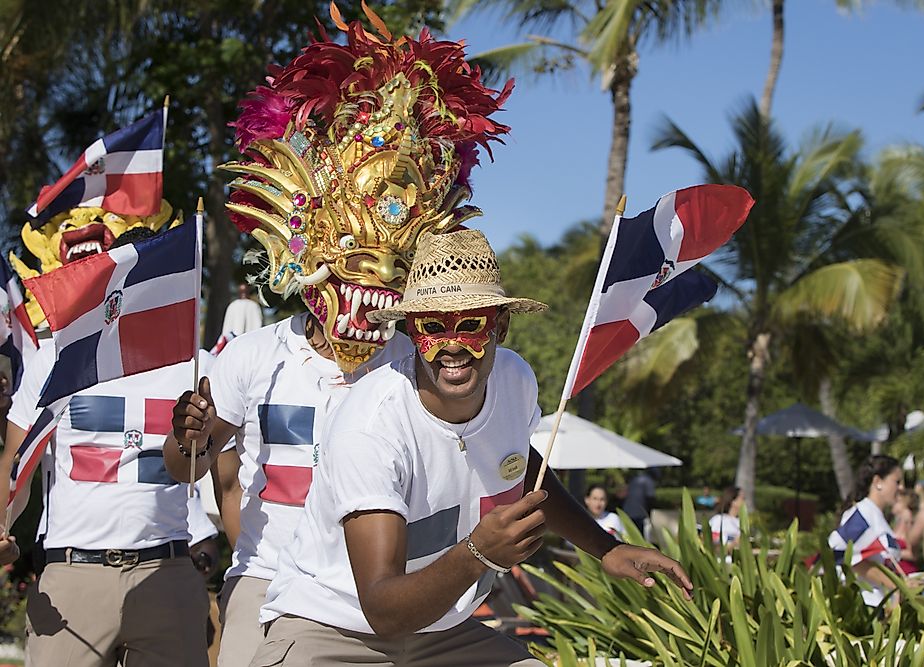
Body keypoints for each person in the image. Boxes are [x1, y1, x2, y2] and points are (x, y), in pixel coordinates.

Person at [163, 11, 517, 666]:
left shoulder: (427, 361)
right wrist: (188, 433)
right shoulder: (254, 357)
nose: (377, 271)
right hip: (275, 582)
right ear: (307, 246)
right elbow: (184, 467)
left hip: (394, 589)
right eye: (355, 251)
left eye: (396, 253)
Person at [243, 230, 692, 666]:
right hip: (334, 629)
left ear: (501, 325)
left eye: (471, 324)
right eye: (433, 327)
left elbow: (520, 466)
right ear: (412, 332)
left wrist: (606, 548)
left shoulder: (515, 381)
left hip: (443, 633)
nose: (452, 347)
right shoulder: (371, 424)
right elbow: (382, 609)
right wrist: (478, 553)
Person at [0, 226, 212, 667]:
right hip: (72, 571)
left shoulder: (199, 365)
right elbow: (16, 462)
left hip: (166, 570)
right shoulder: (61, 354)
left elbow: (218, 472)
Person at [828, 455, 904, 607]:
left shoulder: (874, 514)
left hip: (879, 604)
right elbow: (845, 557)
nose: (901, 488)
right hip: (865, 606)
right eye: (897, 482)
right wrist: (895, 586)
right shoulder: (863, 513)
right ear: (878, 482)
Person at [891, 488, 919, 574]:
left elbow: (913, 554)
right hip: (895, 573)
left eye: (897, 501)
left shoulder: (908, 523)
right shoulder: (898, 523)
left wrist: (893, 553)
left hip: (906, 573)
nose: (893, 504)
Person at [622, 469, 657, 537]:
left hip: (628, 511)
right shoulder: (648, 481)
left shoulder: (636, 479)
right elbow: (650, 498)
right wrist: (649, 513)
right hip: (639, 513)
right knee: (639, 537)